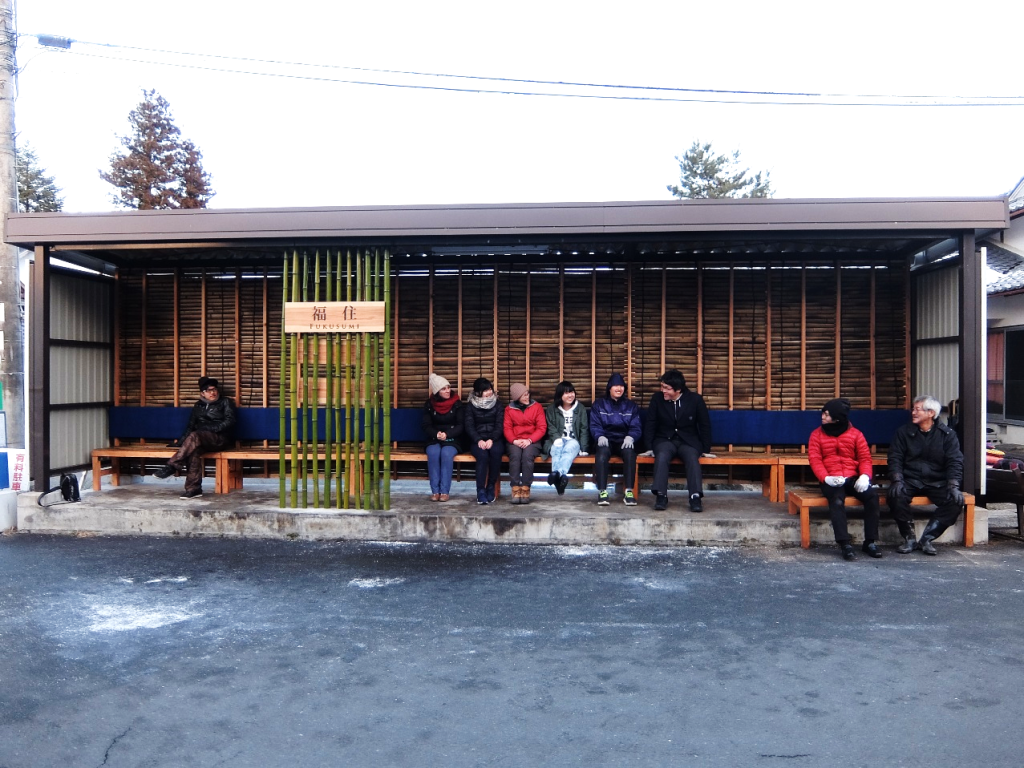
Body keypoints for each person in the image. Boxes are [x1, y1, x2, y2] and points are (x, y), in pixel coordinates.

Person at [887, 395, 965, 555]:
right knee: (895, 496)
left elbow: (955, 461)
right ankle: (909, 538)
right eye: (913, 409)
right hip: (910, 479)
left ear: (931, 413)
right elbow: (895, 457)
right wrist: (897, 480)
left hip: (937, 481)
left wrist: (954, 485)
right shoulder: (903, 433)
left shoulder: (947, 435)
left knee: (955, 501)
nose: (913, 413)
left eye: (917, 409)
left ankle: (927, 539)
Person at [808, 398, 883, 561]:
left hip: (852, 477)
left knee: (872, 497)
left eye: (826, 414)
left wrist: (865, 476)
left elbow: (864, 457)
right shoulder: (816, 435)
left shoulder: (856, 434)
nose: (822, 416)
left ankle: (870, 542)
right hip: (831, 479)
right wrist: (826, 478)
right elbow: (815, 459)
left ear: (836, 418)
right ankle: (845, 544)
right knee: (836, 500)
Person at [154, 376, 236, 499]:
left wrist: (209, 428)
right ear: (202, 393)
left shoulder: (225, 402)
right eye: (208, 390)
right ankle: (194, 489)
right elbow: (190, 426)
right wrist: (180, 443)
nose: (212, 393)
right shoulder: (198, 406)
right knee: (193, 451)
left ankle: (172, 466)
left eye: (214, 389)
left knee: (195, 436)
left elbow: (230, 421)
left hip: (220, 439)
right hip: (200, 440)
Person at [642, 369, 711, 512]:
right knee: (661, 456)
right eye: (662, 387)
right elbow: (650, 423)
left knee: (692, 457)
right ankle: (661, 495)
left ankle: (695, 496)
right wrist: (649, 447)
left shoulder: (695, 400)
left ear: (678, 389)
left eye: (667, 388)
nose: (663, 391)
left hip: (688, 441)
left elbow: (704, 425)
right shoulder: (657, 399)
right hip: (664, 440)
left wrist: (705, 449)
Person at [590, 373, 642, 506]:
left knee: (630, 454)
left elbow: (636, 426)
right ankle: (602, 491)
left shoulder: (631, 406)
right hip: (605, 439)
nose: (619, 389)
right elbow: (594, 424)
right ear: (609, 388)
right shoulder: (599, 404)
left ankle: (629, 491)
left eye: (621, 386)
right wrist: (599, 436)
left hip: (623, 440)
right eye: (616, 386)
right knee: (601, 454)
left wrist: (631, 437)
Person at [542, 381, 589, 496]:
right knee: (556, 450)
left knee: (568, 451)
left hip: (573, 440)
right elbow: (550, 426)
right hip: (557, 440)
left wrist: (584, 447)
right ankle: (561, 478)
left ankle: (555, 473)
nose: (570, 395)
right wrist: (557, 438)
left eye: (571, 392)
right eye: (566, 393)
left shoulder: (580, 408)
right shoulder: (552, 409)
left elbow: (584, 429)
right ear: (559, 395)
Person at [422, 374, 464, 502]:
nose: (447, 391)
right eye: (443, 389)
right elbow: (426, 425)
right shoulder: (429, 404)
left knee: (446, 454)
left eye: (448, 388)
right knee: (433, 453)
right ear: (436, 392)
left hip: (453, 438)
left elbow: (461, 425)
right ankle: (435, 491)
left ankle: (445, 492)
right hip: (434, 438)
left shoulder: (457, 403)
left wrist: (448, 434)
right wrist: (436, 434)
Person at [464, 377, 505, 505]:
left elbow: (500, 424)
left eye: (489, 389)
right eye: (485, 390)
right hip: (478, 440)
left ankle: (491, 487)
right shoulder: (471, 406)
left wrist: (492, 439)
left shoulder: (498, 404)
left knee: (496, 453)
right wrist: (478, 440)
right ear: (477, 392)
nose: (489, 392)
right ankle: (480, 490)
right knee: (482, 455)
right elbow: (469, 426)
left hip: (495, 439)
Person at [503, 382, 546, 504]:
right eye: (523, 396)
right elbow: (507, 428)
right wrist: (514, 440)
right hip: (515, 441)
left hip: (532, 441)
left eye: (527, 394)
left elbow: (542, 427)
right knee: (515, 456)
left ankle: (526, 488)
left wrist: (530, 440)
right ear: (517, 398)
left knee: (527, 456)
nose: (526, 397)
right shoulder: (509, 409)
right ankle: (515, 488)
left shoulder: (537, 407)